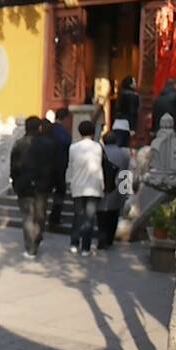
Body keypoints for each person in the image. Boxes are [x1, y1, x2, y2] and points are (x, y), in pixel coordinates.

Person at [10, 116, 58, 259]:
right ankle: (35, 240)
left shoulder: (19, 144)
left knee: (28, 217)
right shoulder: (49, 144)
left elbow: (13, 167)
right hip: (42, 185)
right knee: (40, 215)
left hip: (24, 185)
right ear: (39, 127)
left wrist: (15, 181)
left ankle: (30, 247)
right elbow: (54, 166)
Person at [67, 120, 104, 256]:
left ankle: (74, 243)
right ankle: (85, 248)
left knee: (78, 216)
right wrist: (103, 186)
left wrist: (70, 182)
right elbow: (99, 167)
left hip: (78, 185)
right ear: (92, 132)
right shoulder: (97, 147)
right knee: (89, 218)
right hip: (93, 186)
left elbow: (71, 166)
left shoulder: (73, 147)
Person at [96, 132, 131, 250]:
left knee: (101, 215)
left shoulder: (99, 152)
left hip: (102, 186)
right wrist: (125, 190)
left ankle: (102, 238)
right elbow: (126, 173)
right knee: (114, 214)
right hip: (118, 186)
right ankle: (109, 239)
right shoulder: (124, 154)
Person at [48, 107, 71, 227]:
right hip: (59, 167)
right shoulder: (64, 133)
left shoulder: (48, 130)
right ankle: (55, 217)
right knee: (60, 192)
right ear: (65, 118)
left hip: (46, 167)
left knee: (44, 192)